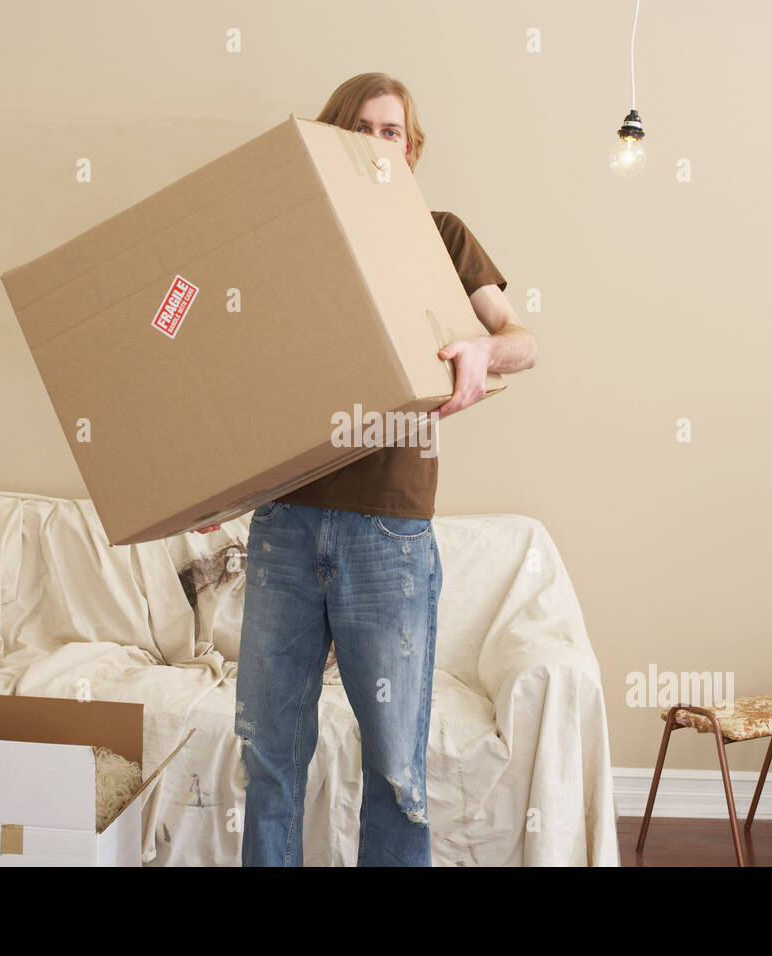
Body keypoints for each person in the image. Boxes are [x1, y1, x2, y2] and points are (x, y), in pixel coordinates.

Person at [193, 72, 537, 866]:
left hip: (389, 536)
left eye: (394, 132)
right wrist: (216, 484)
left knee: (395, 771)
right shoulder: (296, 250)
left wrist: (485, 349)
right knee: (270, 759)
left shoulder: (443, 238)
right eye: (363, 130)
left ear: (409, 151)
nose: (380, 143)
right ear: (333, 143)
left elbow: (523, 338)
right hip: (284, 525)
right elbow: (246, 386)